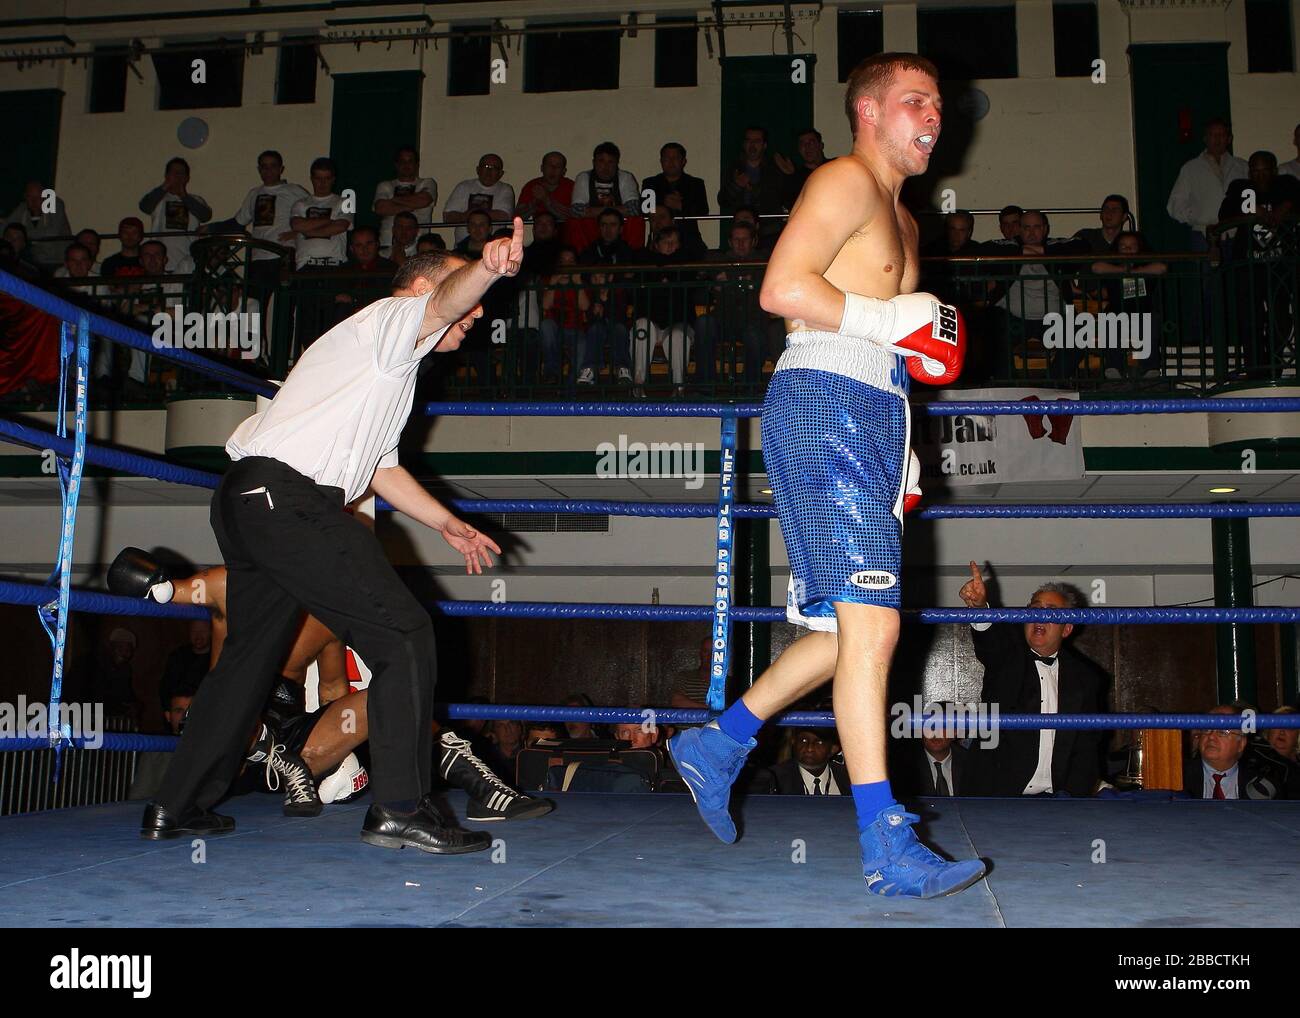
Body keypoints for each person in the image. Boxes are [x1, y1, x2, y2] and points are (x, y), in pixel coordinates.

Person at [667, 53, 983, 899]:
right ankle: (886, 841)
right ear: (869, 110)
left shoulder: (910, 222)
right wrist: (892, 319)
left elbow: (889, 339)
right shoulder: (844, 179)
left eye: (941, 103)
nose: (935, 116)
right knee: (875, 627)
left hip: (875, 409)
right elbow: (781, 289)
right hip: (824, 401)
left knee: (849, 631)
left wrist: (903, 439)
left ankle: (718, 742)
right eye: (917, 99)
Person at [138, 223, 527, 854]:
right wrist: (487, 267)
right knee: (404, 634)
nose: (477, 313)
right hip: (287, 500)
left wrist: (448, 523)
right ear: (427, 286)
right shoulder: (389, 324)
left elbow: (380, 469)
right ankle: (400, 806)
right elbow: (441, 304)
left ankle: (175, 805)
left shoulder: (380, 370)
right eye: (465, 295)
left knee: (247, 662)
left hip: (249, 499)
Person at [111, 550, 553, 821]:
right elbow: (166, 590)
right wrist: (148, 582)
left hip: (297, 748)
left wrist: (347, 750)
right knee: (226, 706)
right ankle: (270, 752)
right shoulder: (231, 584)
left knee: (392, 697)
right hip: (234, 743)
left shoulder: (326, 615)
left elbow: (333, 694)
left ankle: (482, 788)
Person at [959, 563, 1109, 797]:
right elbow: (990, 640)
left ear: (1067, 628)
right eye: (1035, 608)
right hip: (995, 797)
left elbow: (1086, 747)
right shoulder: (1008, 656)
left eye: (1051, 611)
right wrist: (980, 608)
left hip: (1056, 802)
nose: (1040, 615)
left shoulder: (1086, 678)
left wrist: (1075, 799)